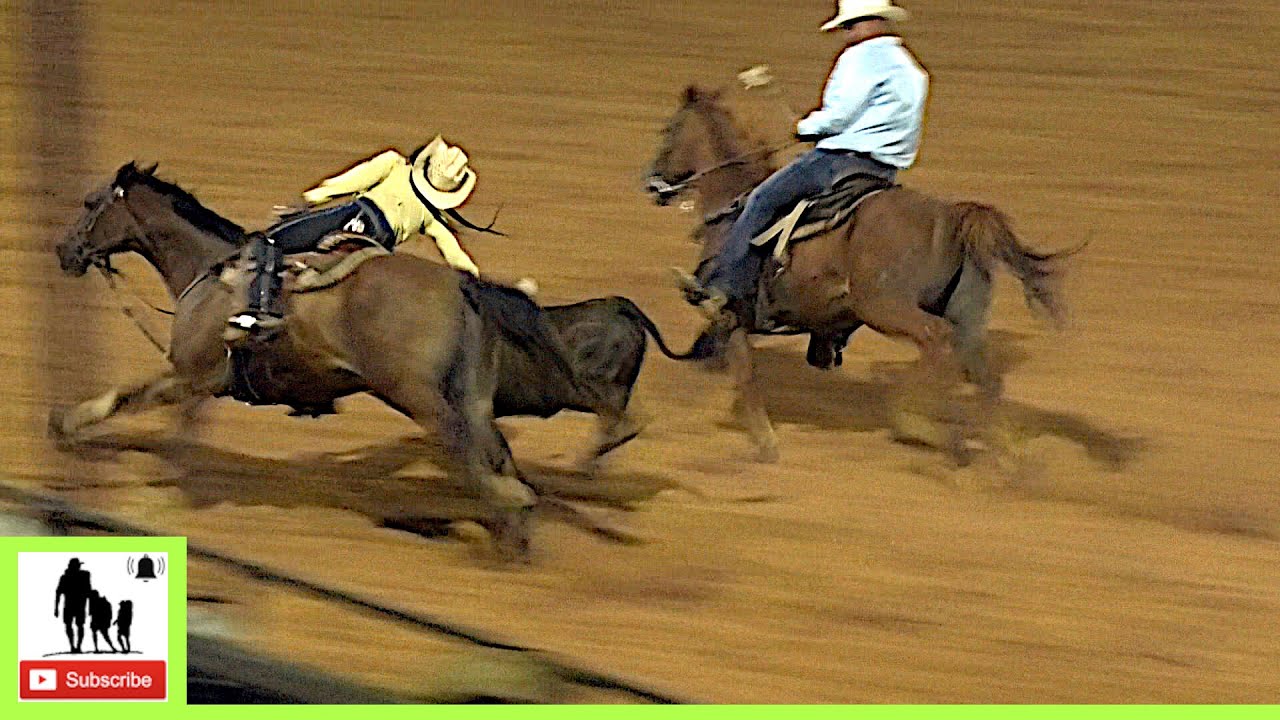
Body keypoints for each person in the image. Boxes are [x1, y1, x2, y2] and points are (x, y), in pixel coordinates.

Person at [676, 0, 928, 343]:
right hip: (883, 171)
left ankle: (724, 287)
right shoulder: (912, 69)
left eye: (848, 26)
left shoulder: (859, 58)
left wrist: (806, 127)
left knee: (762, 200)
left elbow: (839, 114)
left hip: (838, 162)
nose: (847, 34)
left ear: (865, 23)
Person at [228, 135, 490, 335]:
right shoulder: (432, 216)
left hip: (354, 216)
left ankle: (258, 309)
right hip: (378, 245)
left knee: (271, 239)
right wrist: (481, 289)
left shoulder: (394, 165)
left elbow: (348, 182)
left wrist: (309, 199)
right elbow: (455, 255)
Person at [54, 558, 92, 654]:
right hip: (74, 605)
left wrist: (56, 608)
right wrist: (56, 608)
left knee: (77, 625)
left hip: (76, 605)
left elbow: (88, 591)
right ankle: (74, 646)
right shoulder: (67, 577)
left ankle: (76, 646)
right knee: (73, 625)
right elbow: (58, 593)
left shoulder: (84, 575)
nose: (79, 566)